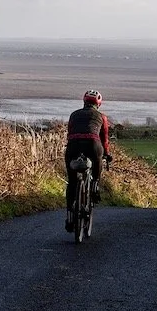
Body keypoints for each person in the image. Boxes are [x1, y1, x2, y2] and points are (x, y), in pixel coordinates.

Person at [65, 89, 113, 231]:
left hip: (73, 144)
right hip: (93, 144)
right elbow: (104, 139)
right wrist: (107, 154)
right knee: (98, 162)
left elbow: (70, 132)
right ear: (98, 104)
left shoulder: (73, 114)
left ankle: (69, 216)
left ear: (84, 101)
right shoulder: (101, 117)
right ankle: (95, 187)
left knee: (72, 181)